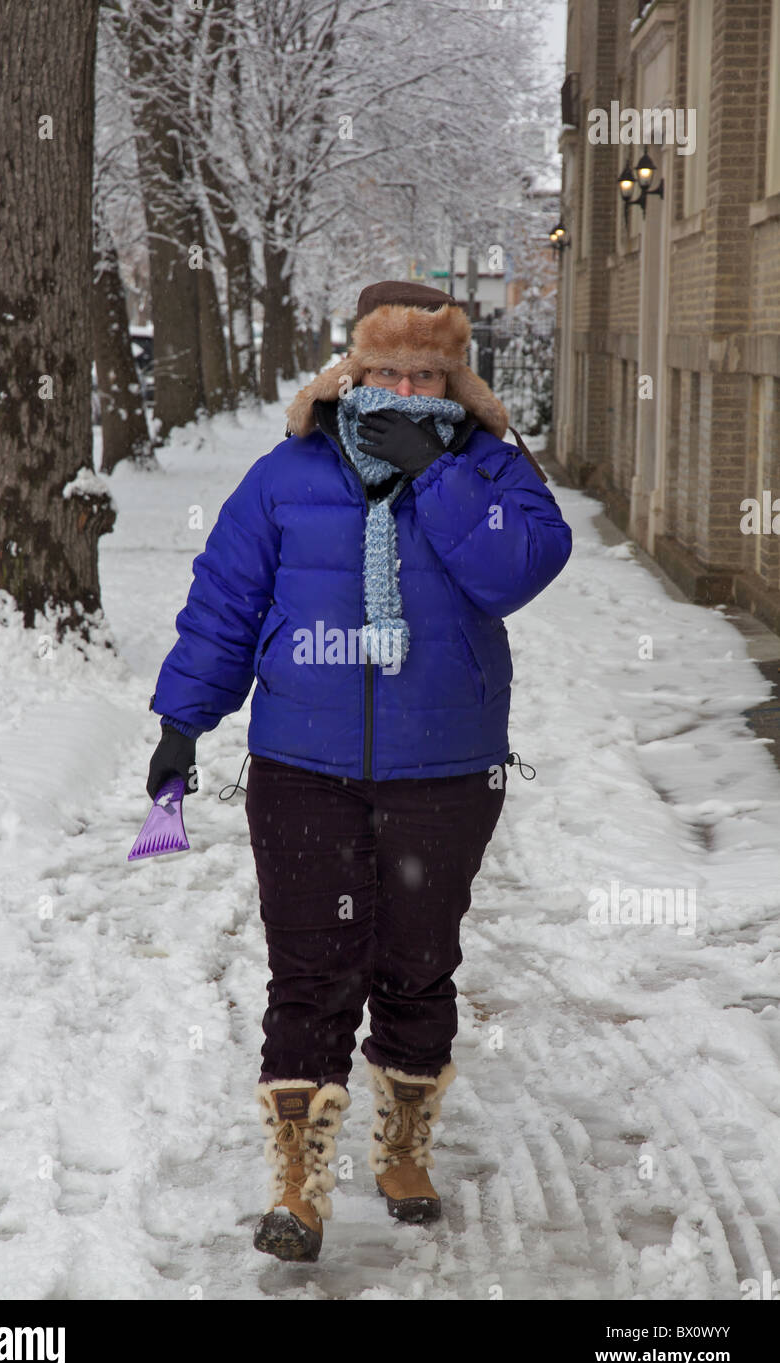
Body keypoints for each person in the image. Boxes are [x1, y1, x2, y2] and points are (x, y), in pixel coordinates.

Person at [146, 281, 573, 1263]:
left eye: (428, 370)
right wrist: (181, 724)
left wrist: (438, 476)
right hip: (302, 764)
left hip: (447, 768)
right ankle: (297, 1182)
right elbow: (224, 604)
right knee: (308, 968)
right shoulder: (286, 473)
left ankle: (404, 1145)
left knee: (417, 963)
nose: (406, 385)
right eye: (388, 368)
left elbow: (520, 567)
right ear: (353, 370)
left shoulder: (490, 467)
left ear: (453, 375)